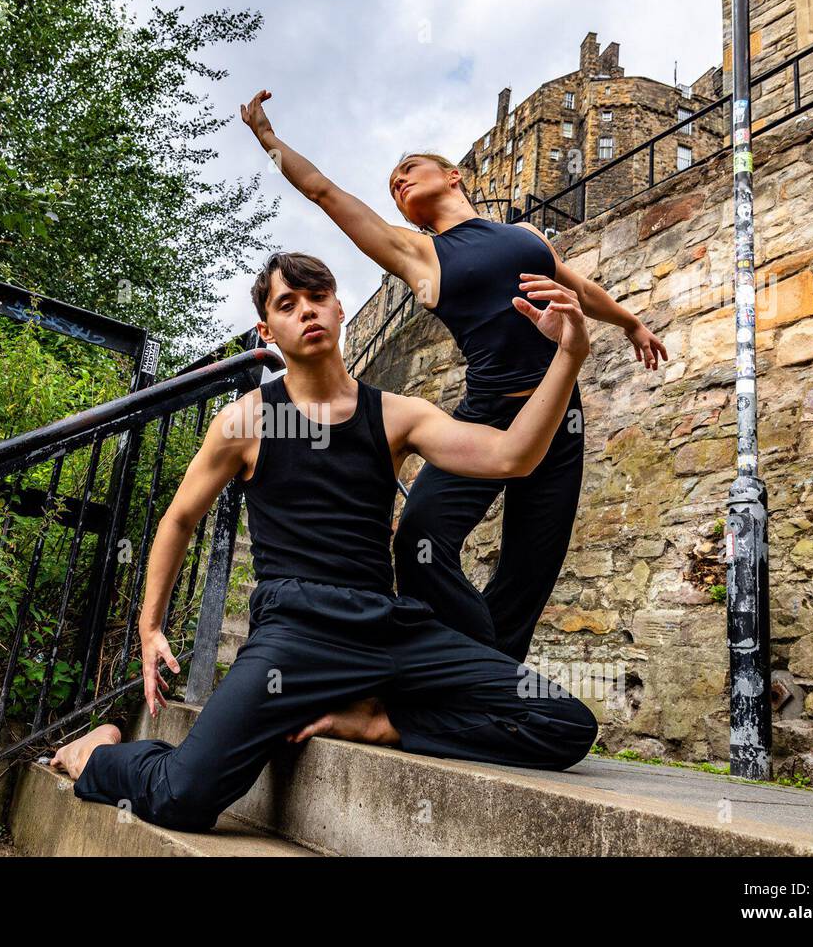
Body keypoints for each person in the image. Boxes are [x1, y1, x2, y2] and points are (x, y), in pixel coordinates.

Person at [48, 251, 597, 832]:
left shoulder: (397, 415)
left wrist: (568, 354)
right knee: (185, 796)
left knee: (562, 721)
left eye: (317, 298)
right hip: (296, 633)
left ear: (338, 308)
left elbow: (515, 455)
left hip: (390, 629)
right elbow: (180, 519)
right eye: (288, 305)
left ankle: (378, 720)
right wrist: (150, 625)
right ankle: (100, 753)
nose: (306, 311)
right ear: (268, 329)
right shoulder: (246, 421)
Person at [239, 89, 668, 663]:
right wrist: (269, 141)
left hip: (558, 417)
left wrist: (632, 323)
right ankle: (472, 663)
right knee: (419, 537)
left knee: (531, 564)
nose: (398, 182)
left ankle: (494, 690)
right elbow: (324, 192)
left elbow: (580, 289)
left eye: (407, 171)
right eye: (392, 184)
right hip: (487, 414)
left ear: (454, 175)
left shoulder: (526, 236)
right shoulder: (419, 256)